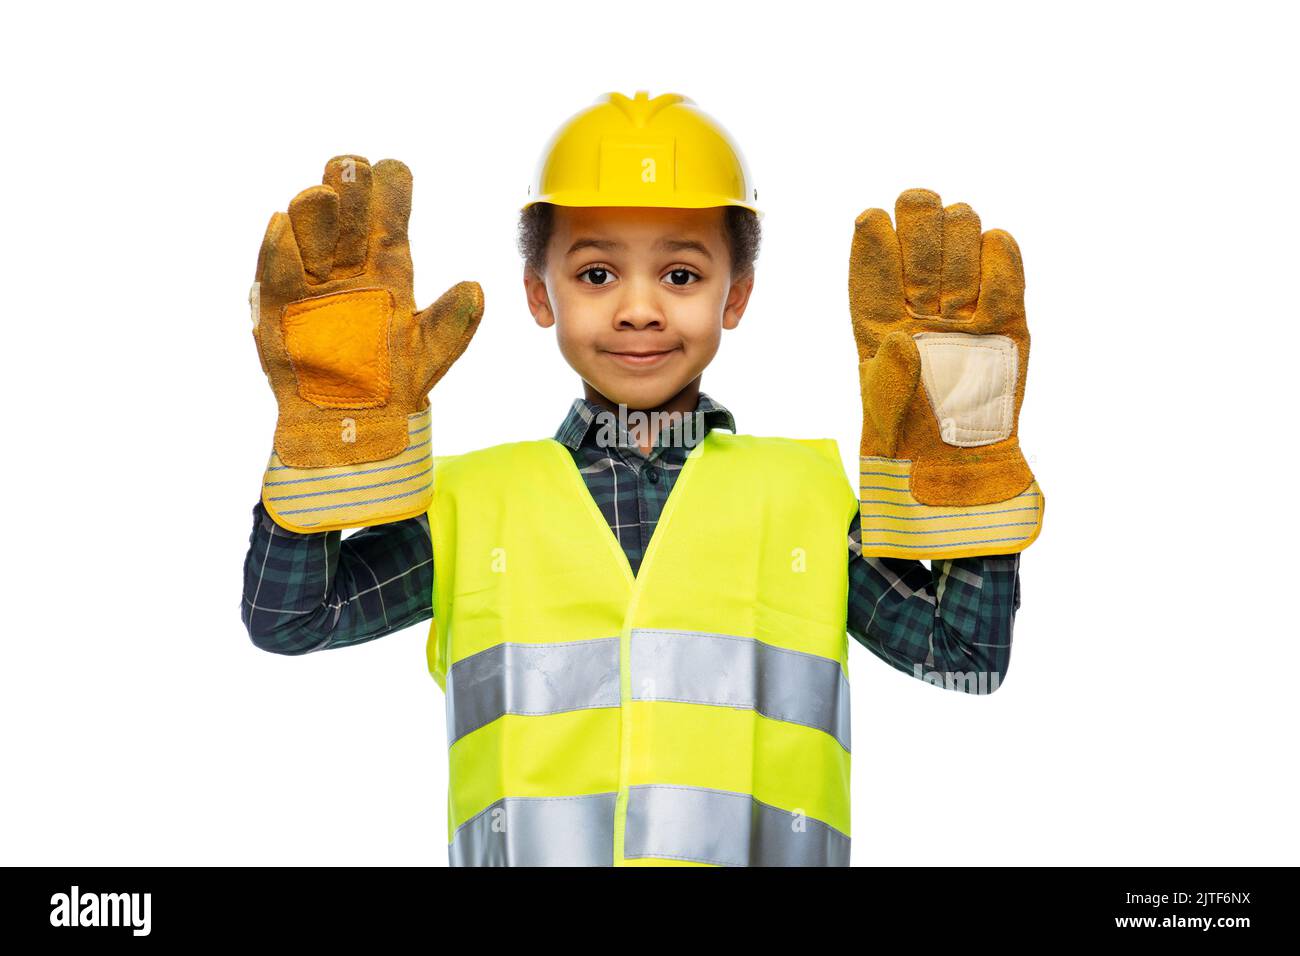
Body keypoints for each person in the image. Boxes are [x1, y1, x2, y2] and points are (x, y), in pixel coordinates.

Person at [241, 90, 1038, 866]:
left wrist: (962, 463)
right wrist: (328, 446)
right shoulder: (467, 504)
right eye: (595, 275)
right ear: (537, 293)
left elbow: (966, 655)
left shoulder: (810, 498)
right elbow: (291, 619)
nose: (639, 309)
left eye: (682, 276)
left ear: (739, 295)